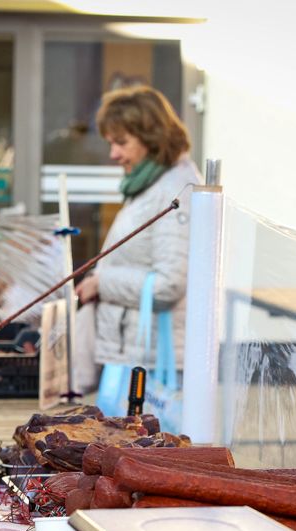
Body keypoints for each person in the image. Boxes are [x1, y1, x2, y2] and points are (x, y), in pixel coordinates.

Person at [73, 85, 201, 397]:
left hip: (151, 365)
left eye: (122, 143)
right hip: (135, 354)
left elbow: (169, 283)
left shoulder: (173, 191)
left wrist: (101, 283)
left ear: (152, 139)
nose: (113, 154)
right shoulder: (150, 184)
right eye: (110, 143)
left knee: (137, 445)